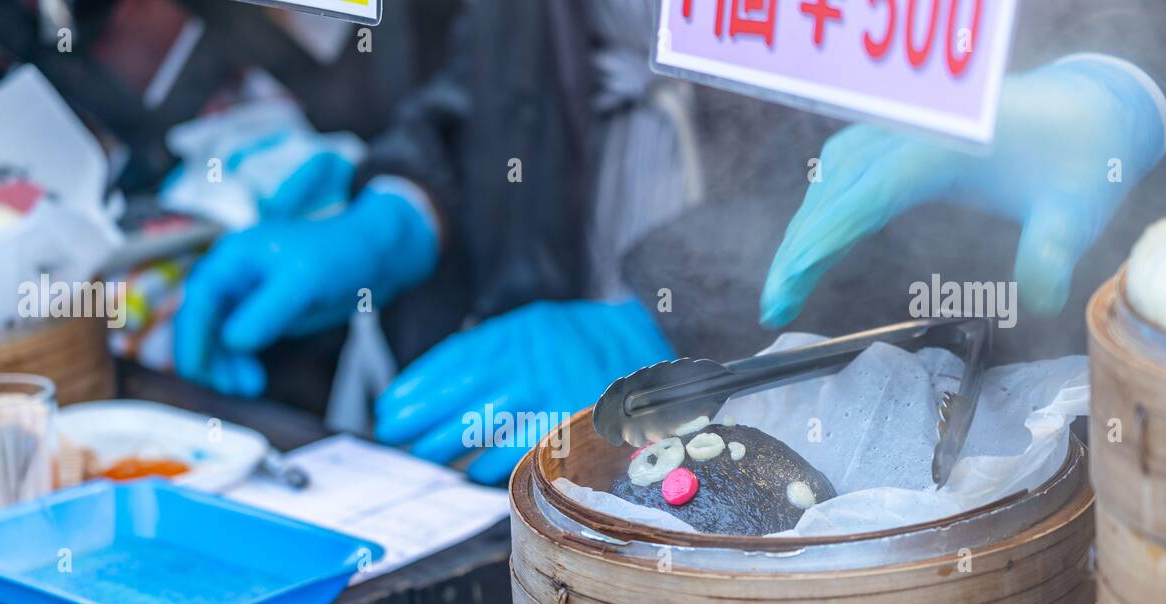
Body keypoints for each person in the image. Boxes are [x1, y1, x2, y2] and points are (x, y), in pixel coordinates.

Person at [174, 0, 1166, 484]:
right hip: (579, 301)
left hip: (866, 388)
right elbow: (508, 48)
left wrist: (679, 316)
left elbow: (941, 124)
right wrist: (410, 200)